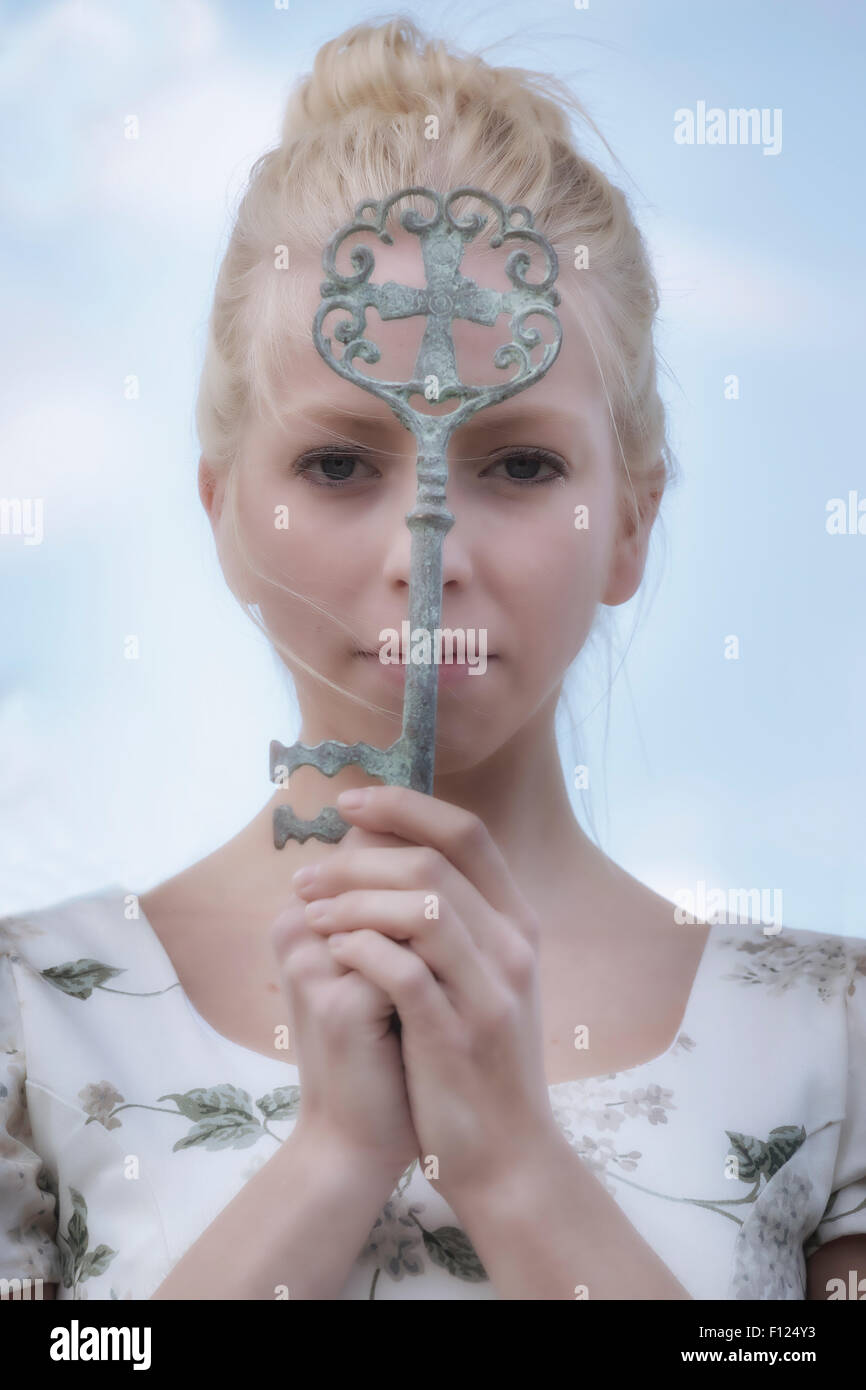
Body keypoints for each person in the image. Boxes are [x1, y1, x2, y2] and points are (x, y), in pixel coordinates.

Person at [2, 15, 864, 1303]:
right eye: (340, 464)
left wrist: (516, 1167)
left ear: (630, 522)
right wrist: (333, 1161)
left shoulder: (831, 1039)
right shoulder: (33, 1021)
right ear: (222, 514)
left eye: (520, 464)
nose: (429, 550)